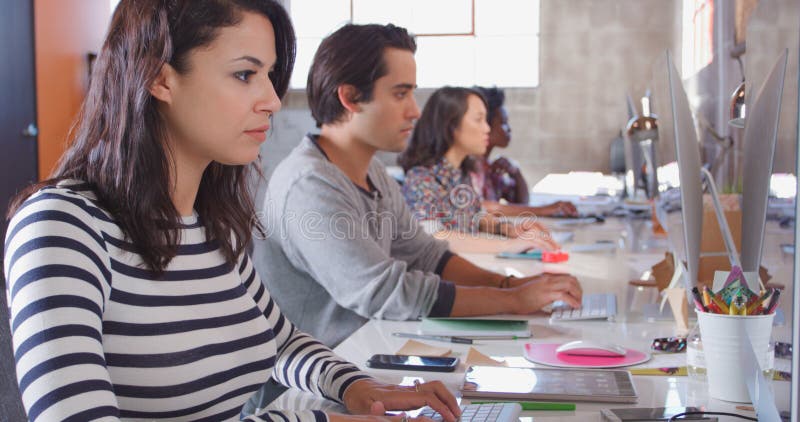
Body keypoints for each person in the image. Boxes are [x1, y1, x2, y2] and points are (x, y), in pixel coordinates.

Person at [3, 2, 461, 421]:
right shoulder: (61, 228)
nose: (273, 101)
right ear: (159, 78)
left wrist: (358, 388)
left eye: (270, 75)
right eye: (245, 74)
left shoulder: (209, 224)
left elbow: (279, 339)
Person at [252, 23, 582, 348]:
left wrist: (511, 285)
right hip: (307, 389)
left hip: (364, 359)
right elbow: (387, 293)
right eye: (401, 94)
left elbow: (426, 256)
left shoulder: (373, 173)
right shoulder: (310, 185)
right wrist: (511, 300)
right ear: (351, 97)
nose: (415, 111)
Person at [398, 86, 559, 251]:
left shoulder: (462, 174)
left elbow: (476, 217)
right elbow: (434, 235)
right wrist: (507, 246)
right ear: (451, 126)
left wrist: (508, 229)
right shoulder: (420, 178)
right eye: (478, 119)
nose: (487, 128)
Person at [472, 86, 578, 218]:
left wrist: (516, 173)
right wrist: (544, 210)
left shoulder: (492, 168)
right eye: (503, 123)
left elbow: (521, 202)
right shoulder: (467, 167)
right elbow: (478, 207)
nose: (508, 129)